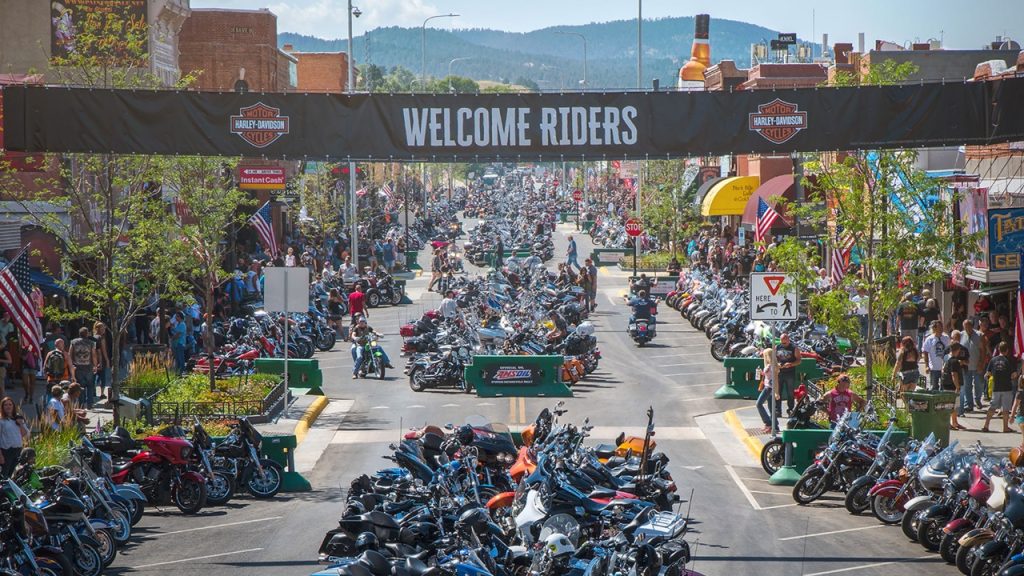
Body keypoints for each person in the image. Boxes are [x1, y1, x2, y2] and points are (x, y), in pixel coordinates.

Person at [983, 341, 1017, 433]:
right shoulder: (1009, 360)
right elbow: (1014, 375)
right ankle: (1005, 428)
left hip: (996, 388)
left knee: (992, 407)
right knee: (1005, 409)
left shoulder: (993, 360)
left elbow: (987, 374)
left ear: (998, 350)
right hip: (1007, 387)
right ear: (1007, 350)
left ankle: (986, 425)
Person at [0, 397, 28, 478]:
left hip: (17, 449)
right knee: (4, 474)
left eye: (10, 404)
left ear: (13, 406)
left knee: (12, 474)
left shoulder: (17, 418)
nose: (8, 406)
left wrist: (21, 424)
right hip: (6, 451)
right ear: (2, 407)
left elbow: (24, 434)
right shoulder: (1, 420)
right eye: (5, 405)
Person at [941, 340, 966, 431]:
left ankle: (955, 422)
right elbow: (954, 374)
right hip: (951, 386)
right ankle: (949, 423)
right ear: (958, 350)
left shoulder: (948, 359)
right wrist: (957, 386)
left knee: (954, 406)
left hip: (946, 385)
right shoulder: (954, 361)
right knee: (950, 406)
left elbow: (943, 370)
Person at [775, 333, 801, 415]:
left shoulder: (794, 348)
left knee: (790, 392)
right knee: (778, 391)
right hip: (779, 372)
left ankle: (790, 409)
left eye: (785, 343)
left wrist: (791, 364)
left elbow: (799, 360)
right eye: (782, 342)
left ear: (788, 340)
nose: (783, 344)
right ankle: (777, 410)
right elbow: (773, 359)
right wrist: (777, 364)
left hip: (790, 373)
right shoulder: (777, 347)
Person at [960, 319, 983, 414]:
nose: (967, 328)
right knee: (967, 386)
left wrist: (981, 363)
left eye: (968, 326)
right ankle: (969, 404)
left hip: (977, 364)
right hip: (966, 366)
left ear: (972, 326)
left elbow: (982, 350)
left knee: (979, 384)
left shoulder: (979, 335)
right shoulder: (961, 335)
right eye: (965, 327)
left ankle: (977, 399)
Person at [921, 320, 950, 391]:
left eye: (941, 327)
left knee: (944, 387)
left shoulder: (946, 338)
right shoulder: (929, 339)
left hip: (944, 367)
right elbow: (925, 353)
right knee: (934, 387)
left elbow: (950, 351)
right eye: (939, 327)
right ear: (934, 328)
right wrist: (926, 366)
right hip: (934, 368)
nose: (941, 329)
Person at [756, 347, 779, 434]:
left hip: (769, 388)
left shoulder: (771, 366)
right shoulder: (772, 365)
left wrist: (776, 392)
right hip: (769, 387)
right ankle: (775, 426)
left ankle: (768, 423)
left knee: (759, 404)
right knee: (771, 408)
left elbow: (774, 379)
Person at [93, 322, 111, 401]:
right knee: (102, 377)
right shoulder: (101, 338)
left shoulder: (92, 337)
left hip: (93, 361)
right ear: (97, 329)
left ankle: (93, 391)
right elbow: (103, 351)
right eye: (102, 328)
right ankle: (102, 393)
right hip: (101, 360)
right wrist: (107, 360)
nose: (104, 330)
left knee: (94, 377)